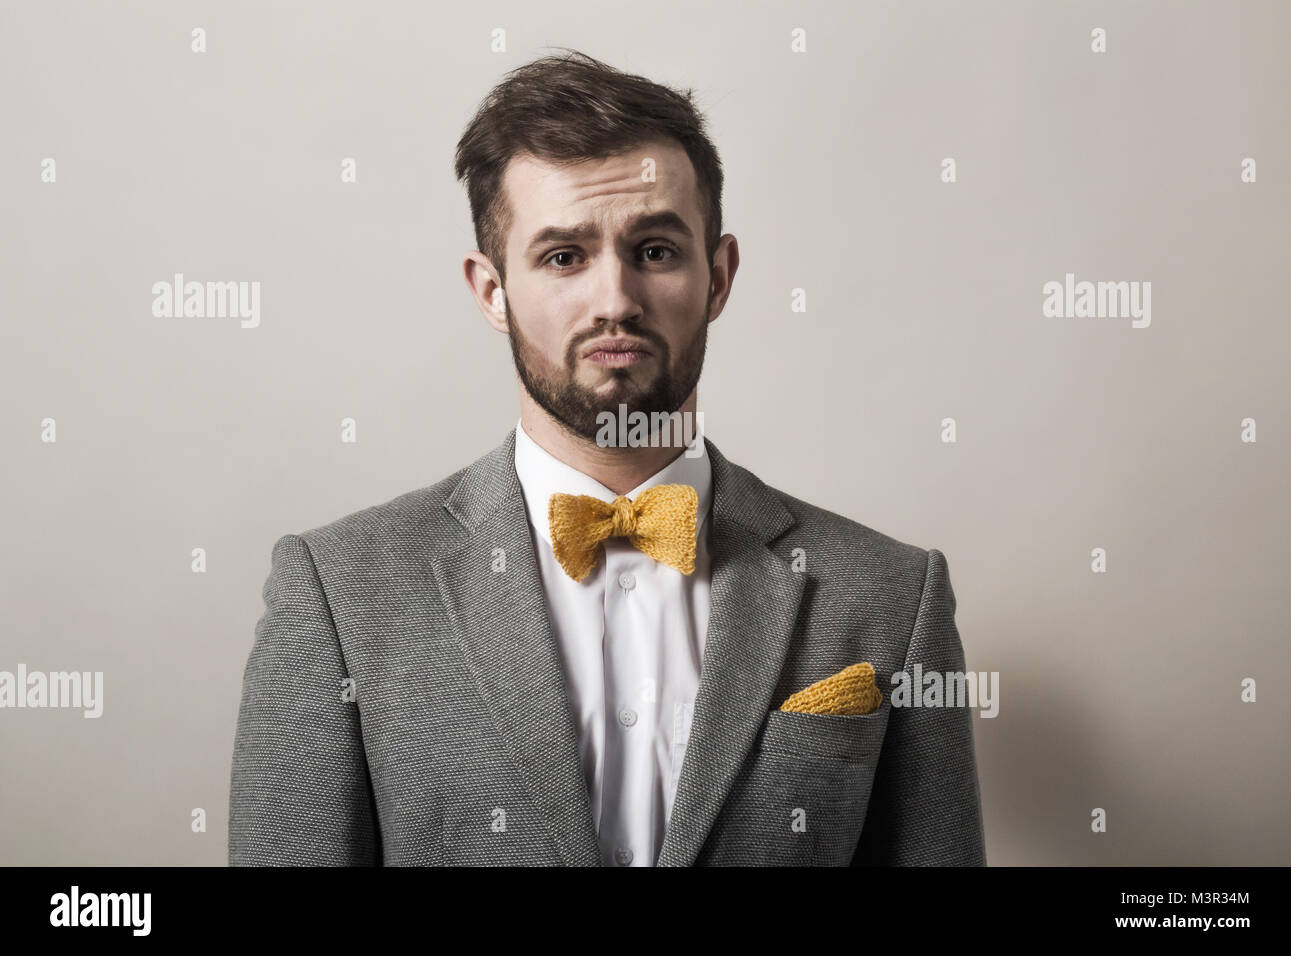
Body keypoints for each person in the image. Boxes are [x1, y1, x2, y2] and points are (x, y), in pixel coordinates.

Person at [228, 49, 986, 867]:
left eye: (655, 250)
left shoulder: (890, 596)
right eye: (563, 257)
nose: (615, 300)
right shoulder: (338, 594)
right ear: (493, 290)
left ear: (719, 276)